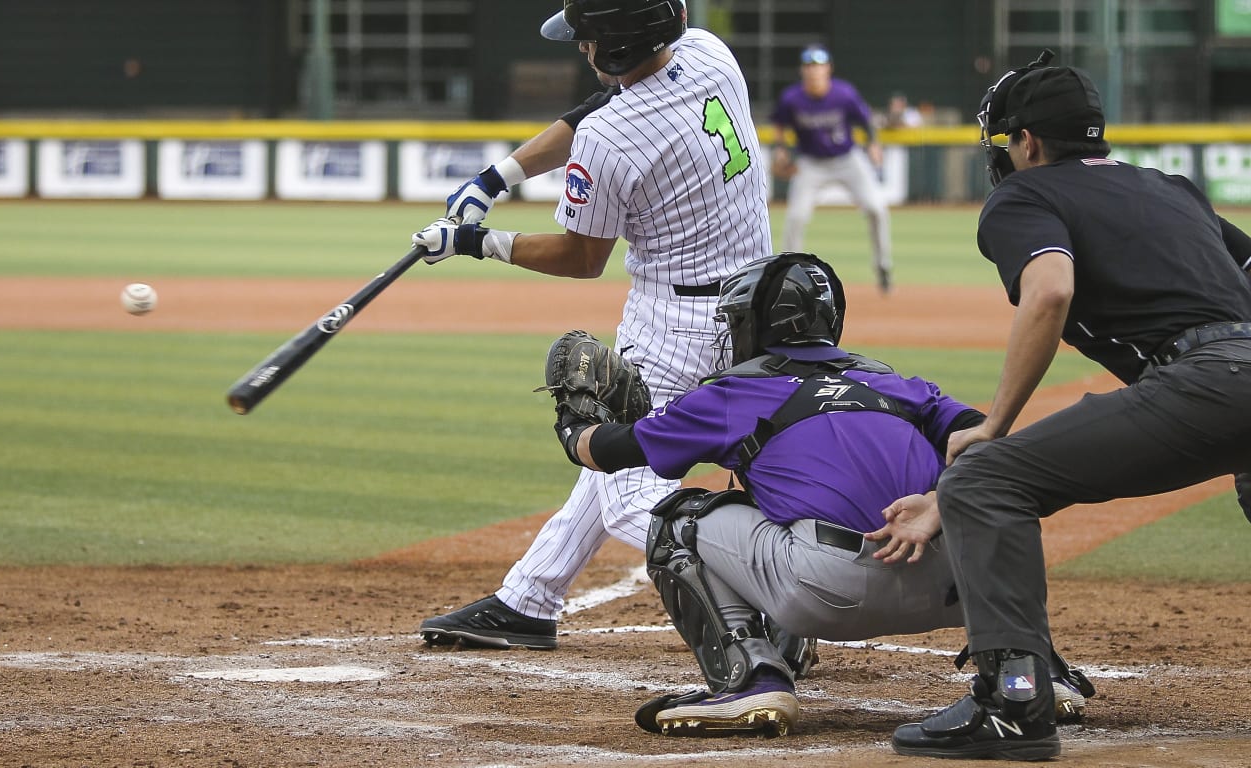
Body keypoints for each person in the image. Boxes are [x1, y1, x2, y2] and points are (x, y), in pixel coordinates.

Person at [890, 52, 1251, 761]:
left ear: (1029, 141)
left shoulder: (1024, 197)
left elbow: (1051, 293)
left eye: (1010, 141)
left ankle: (1011, 700)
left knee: (984, 477)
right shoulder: (1171, 186)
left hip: (1221, 377)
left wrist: (995, 425)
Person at [546, 252, 1095, 737]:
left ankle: (751, 678)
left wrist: (572, 425)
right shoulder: (896, 383)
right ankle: (1029, 667)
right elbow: (988, 445)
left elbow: (611, 451)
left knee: (678, 519)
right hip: (955, 588)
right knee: (988, 499)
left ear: (759, 325)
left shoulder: (733, 394)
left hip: (827, 591)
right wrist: (936, 501)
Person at [411, 0, 777, 654]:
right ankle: (529, 599)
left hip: (674, 324)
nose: (580, 46)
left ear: (612, 49)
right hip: (762, 304)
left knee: (630, 497)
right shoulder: (707, 54)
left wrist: (477, 242)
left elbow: (583, 257)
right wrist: (502, 174)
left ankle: (769, 585)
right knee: (611, 468)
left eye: (588, 39)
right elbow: (594, 110)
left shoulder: (615, 139)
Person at [770, 45, 893, 294]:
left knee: (877, 209)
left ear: (828, 69)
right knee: (796, 216)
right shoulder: (792, 98)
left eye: (818, 66)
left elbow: (865, 120)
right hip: (811, 163)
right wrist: (780, 148)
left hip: (848, 159)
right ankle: (787, 274)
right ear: (802, 71)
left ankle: (883, 267)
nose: (814, 72)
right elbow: (780, 124)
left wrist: (873, 145)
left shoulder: (844, 94)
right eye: (809, 67)